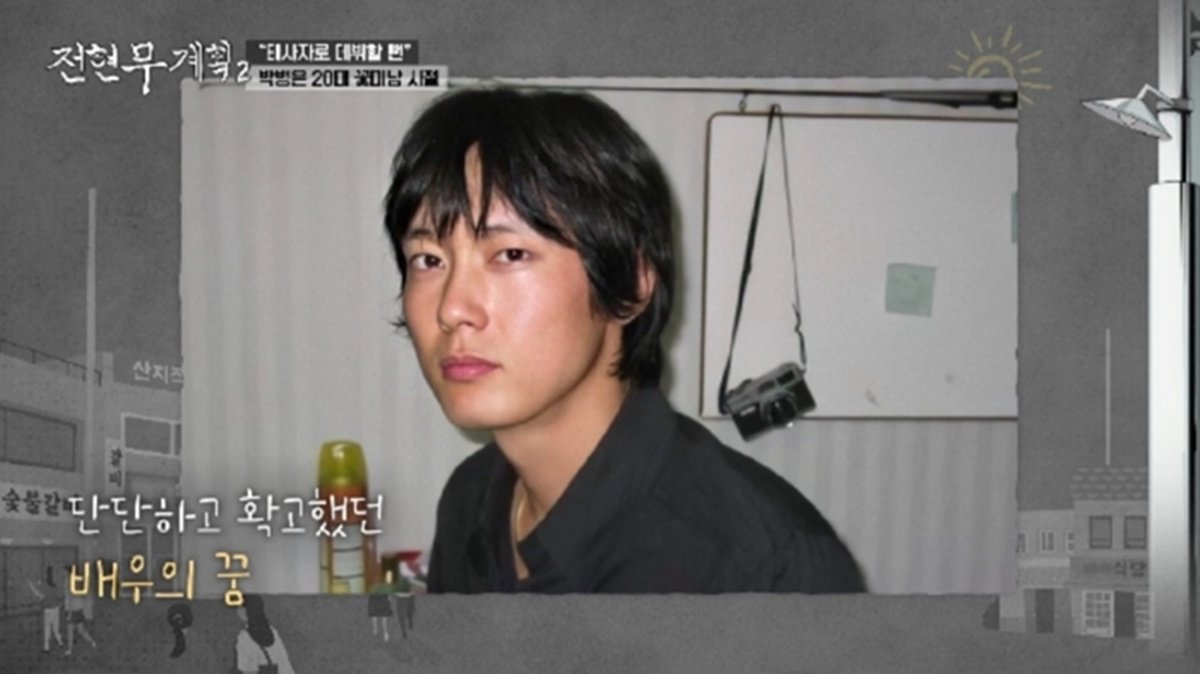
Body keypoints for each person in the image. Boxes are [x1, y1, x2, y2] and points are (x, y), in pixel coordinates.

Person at [383, 87, 866, 594]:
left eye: (510, 255)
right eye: (429, 260)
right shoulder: (470, 500)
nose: (451, 309)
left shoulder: (763, 570)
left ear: (630, 285)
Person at [233, 594, 294, 674]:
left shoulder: (244, 637)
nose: (238, 611)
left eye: (240, 608)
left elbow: (246, 669)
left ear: (246, 611)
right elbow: (285, 665)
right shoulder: (273, 631)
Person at [61, 565, 98, 654]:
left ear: (68, 572)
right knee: (81, 630)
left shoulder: (68, 581)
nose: (63, 573)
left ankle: (69, 649)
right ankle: (92, 641)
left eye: (64, 571)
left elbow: (70, 597)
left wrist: (69, 612)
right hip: (79, 607)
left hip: (73, 608)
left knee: (70, 630)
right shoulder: (75, 580)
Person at [27, 566, 64, 653]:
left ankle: (46, 647)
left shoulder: (44, 586)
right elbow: (59, 597)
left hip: (48, 610)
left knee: (47, 629)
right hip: (56, 609)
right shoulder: (54, 586)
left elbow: (39, 595)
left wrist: (30, 585)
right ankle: (60, 642)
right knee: (55, 628)